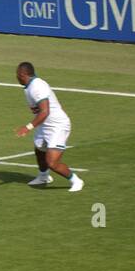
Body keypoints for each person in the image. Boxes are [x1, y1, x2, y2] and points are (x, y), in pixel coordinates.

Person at [14, 62, 83, 193]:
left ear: (23, 74)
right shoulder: (29, 86)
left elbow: (45, 111)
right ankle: (43, 177)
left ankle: (75, 180)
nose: (16, 78)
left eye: (17, 75)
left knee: (52, 162)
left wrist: (27, 127)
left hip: (57, 125)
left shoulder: (37, 87)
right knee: (40, 150)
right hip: (44, 124)